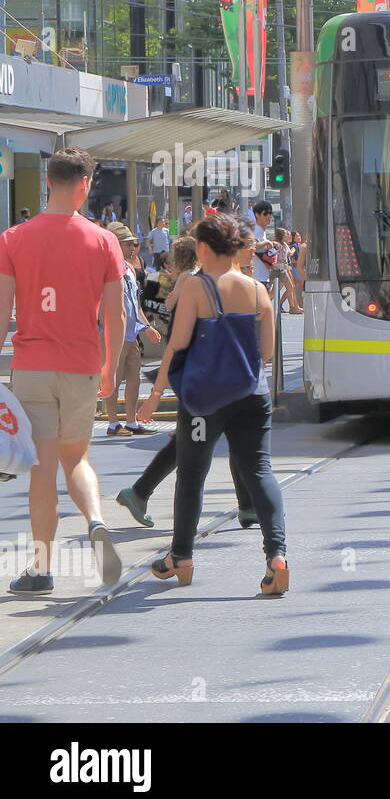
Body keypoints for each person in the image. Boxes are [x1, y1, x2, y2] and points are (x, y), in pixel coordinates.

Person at [138, 214, 286, 594]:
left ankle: (181, 557)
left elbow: (177, 343)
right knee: (259, 470)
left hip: (204, 400)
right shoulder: (257, 289)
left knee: (191, 473)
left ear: (202, 248)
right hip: (252, 396)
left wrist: (155, 396)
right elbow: (266, 352)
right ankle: (277, 556)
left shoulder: (195, 287)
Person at [0, 148, 125, 594]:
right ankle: (95, 521)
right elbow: (116, 316)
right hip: (82, 365)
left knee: (42, 469)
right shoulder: (104, 240)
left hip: (32, 366)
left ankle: (41, 567)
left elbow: (2, 311)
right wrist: (109, 365)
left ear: (47, 182)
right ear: (85, 185)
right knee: (78, 458)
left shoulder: (14, 239)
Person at [118, 231, 258, 530]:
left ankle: (141, 492)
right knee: (201, 448)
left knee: (196, 442)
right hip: (199, 375)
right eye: (245, 246)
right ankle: (148, 498)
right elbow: (176, 335)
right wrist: (156, 394)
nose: (250, 250)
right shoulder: (196, 280)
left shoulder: (204, 279)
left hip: (203, 374)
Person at [103, 223, 163, 437]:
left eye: (134, 244)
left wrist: (146, 326)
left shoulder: (128, 269)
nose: (133, 248)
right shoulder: (104, 267)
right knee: (113, 379)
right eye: (129, 244)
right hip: (112, 334)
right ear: (116, 243)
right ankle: (112, 423)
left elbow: (134, 303)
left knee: (134, 378)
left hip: (131, 332)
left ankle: (131, 422)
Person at [250, 201, 275, 292]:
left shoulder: (261, 231)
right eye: (265, 213)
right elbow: (252, 246)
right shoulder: (256, 230)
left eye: (270, 213)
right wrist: (266, 242)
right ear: (257, 215)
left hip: (263, 277)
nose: (269, 216)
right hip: (257, 278)